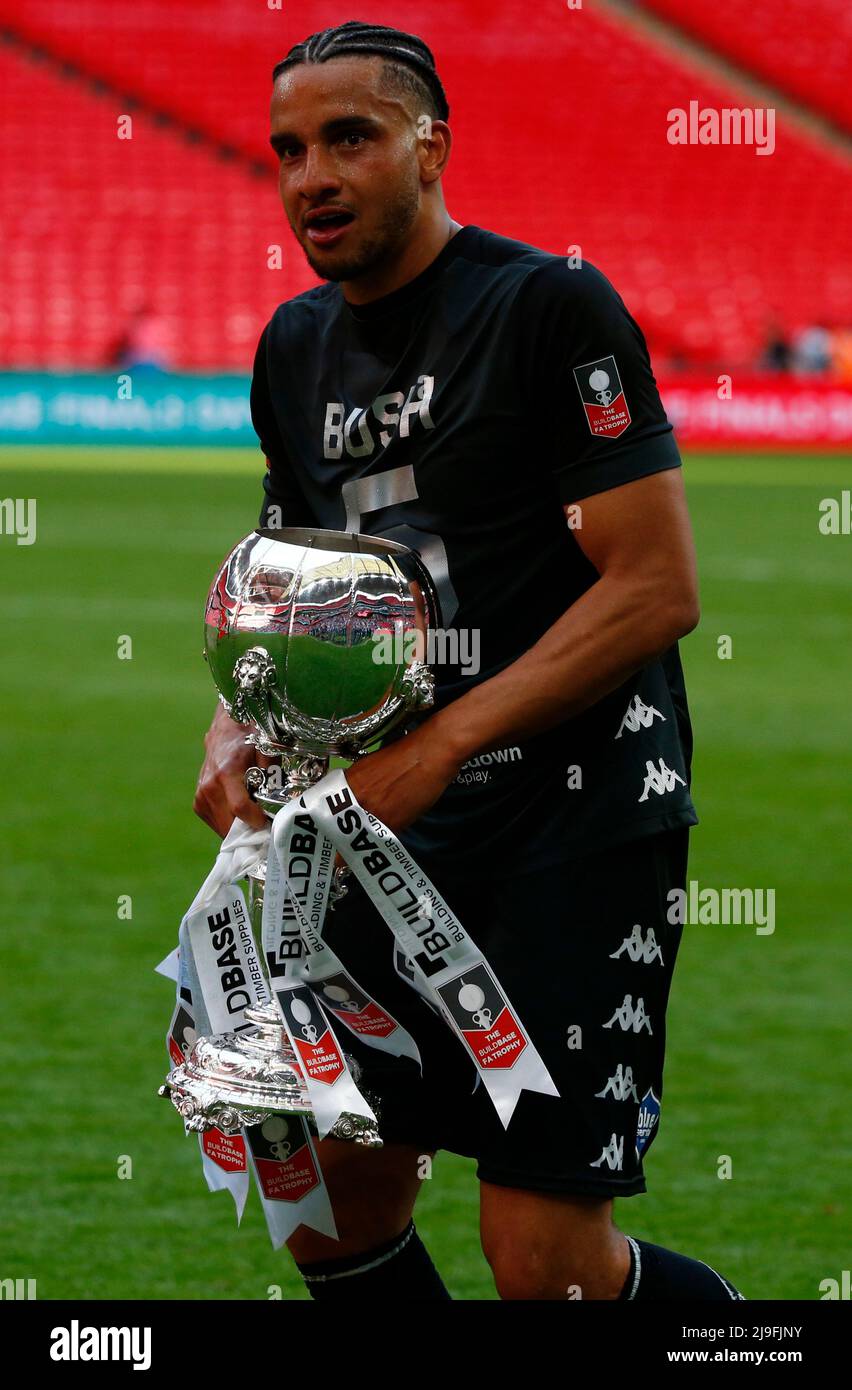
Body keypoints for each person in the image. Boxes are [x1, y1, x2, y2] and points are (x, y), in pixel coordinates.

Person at [194, 20, 745, 1302]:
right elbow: (301, 597)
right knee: (322, 1184)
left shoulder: (546, 305)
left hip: (576, 817)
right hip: (387, 838)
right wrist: (234, 733)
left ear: (431, 146)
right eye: (287, 149)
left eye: (350, 137)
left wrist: (441, 745)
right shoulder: (293, 346)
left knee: (545, 1263)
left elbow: (657, 586)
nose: (311, 176)